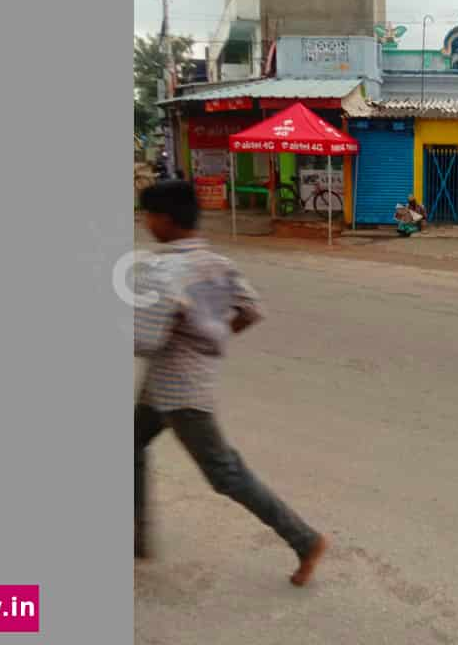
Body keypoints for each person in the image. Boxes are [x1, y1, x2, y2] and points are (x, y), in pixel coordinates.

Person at [134, 180, 328, 586]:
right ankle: (136, 536)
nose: (145, 223)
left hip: (181, 396)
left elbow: (146, 338)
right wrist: (214, 335)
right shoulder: (218, 263)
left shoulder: (161, 270)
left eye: (148, 215)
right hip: (171, 387)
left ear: (165, 220)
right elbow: (252, 311)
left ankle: (305, 540)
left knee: (227, 475)